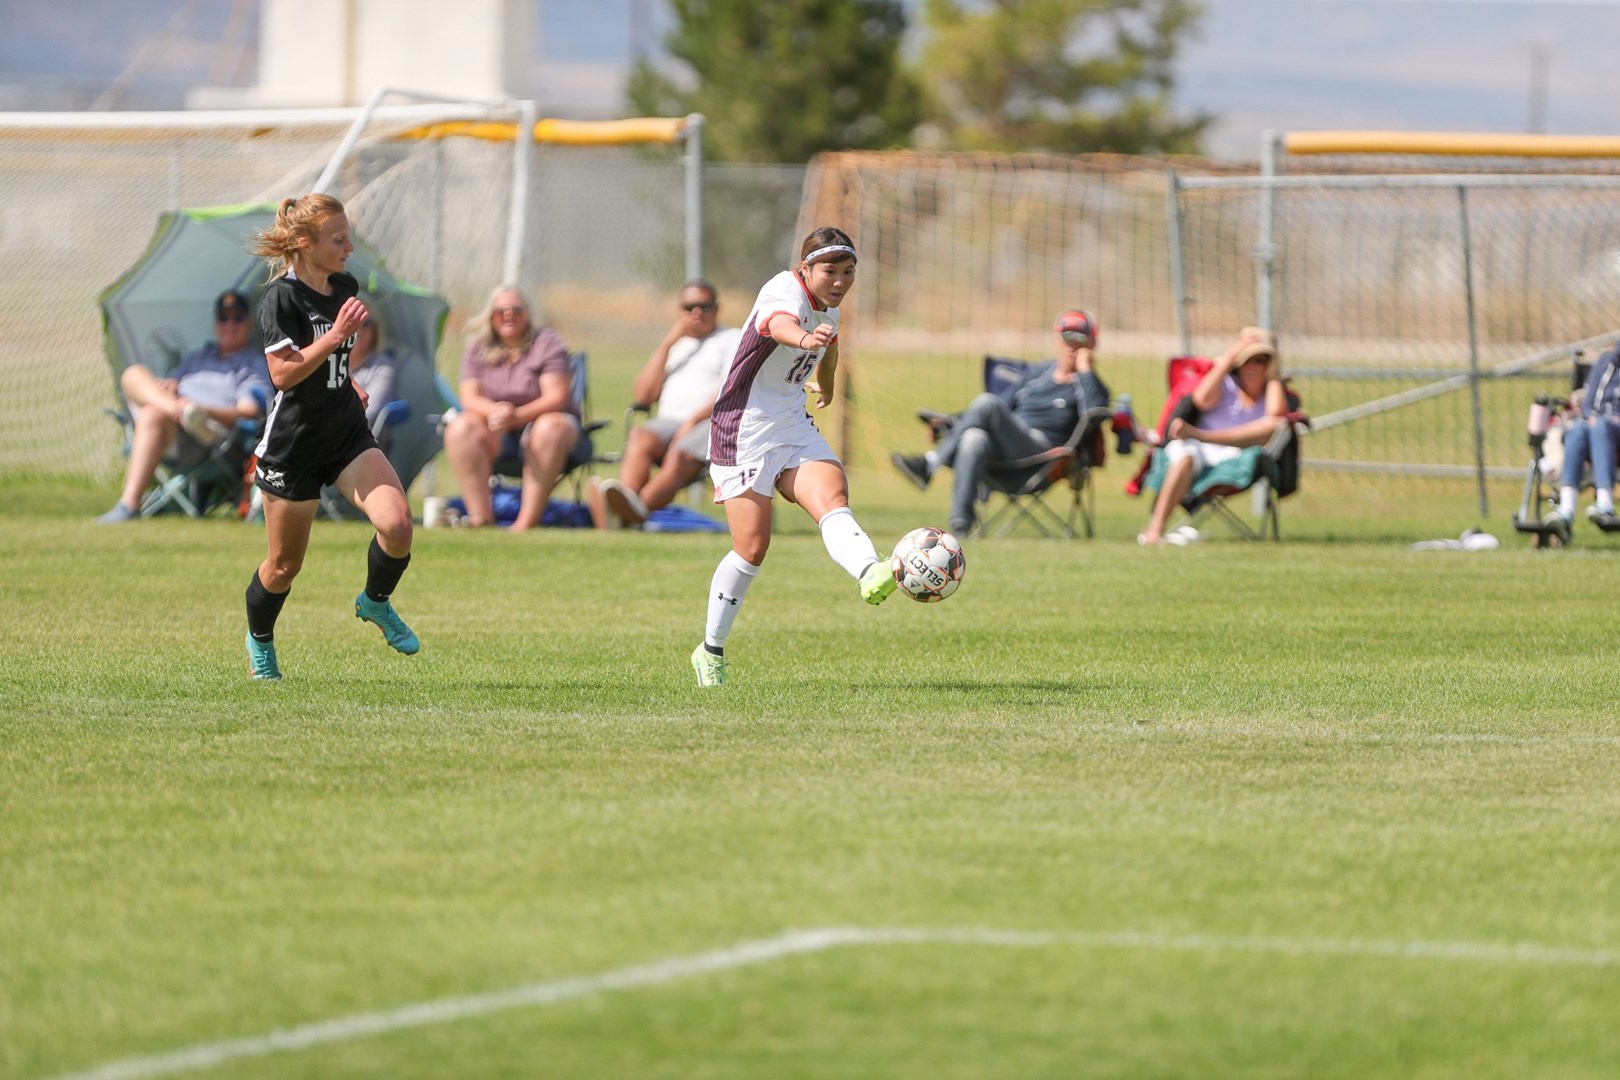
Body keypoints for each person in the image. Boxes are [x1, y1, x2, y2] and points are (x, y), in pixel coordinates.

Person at [691, 226, 895, 687]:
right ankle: (710, 650)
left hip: (791, 423)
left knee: (833, 495)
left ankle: (869, 570)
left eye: (848, 271)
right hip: (742, 428)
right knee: (752, 548)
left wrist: (827, 380)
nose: (840, 281)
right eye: (830, 271)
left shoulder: (830, 311)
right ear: (805, 269)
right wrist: (805, 341)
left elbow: (831, 343)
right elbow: (778, 325)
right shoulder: (783, 290)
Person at [241, 193, 419, 681]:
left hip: (345, 434)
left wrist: (348, 379)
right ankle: (260, 642)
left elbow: (330, 360)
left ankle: (376, 601)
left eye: (347, 237)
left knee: (398, 525)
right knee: (284, 567)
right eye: (338, 239)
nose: (348, 247)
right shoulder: (280, 299)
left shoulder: (343, 285)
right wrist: (336, 336)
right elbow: (282, 373)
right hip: (294, 447)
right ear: (305, 243)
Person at [889, 309, 1110, 537]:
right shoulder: (1036, 375)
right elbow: (999, 406)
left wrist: (1086, 371)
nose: (1072, 346)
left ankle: (931, 464)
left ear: (1092, 343)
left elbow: (1095, 413)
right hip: (1005, 457)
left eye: (1080, 339)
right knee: (974, 438)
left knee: (987, 401)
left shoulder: (1092, 386)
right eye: (1066, 337)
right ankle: (961, 528)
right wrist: (949, 423)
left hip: (1045, 460)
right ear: (1056, 338)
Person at [95, 290, 271, 523]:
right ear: (215, 322)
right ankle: (179, 411)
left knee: (151, 414)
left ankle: (129, 505)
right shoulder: (198, 357)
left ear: (249, 323)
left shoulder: (253, 363)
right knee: (133, 374)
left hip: (212, 438)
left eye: (237, 318)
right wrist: (171, 388)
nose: (229, 324)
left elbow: (249, 412)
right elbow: (172, 383)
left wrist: (203, 409)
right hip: (175, 421)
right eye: (223, 317)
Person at [590, 278, 740, 529]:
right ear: (680, 310)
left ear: (717, 308)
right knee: (640, 437)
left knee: (679, 454)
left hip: (713, 422)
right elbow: (644, 396)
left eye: (704, 306)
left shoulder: (731, 339)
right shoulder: (676, 345)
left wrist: (692, 421)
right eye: (689, 307)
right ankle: (626, 509)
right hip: (668, 422)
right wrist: (668, 343)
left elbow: (730, 392)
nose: (696, 313)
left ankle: (628, 516)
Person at [442, 286, 584, 531]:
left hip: (552, 434)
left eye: (516, 310)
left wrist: (517, 416)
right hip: (497, 433)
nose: (509, 315)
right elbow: (469, 397)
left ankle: (525, 523)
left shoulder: (548, 343)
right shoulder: (477, 347)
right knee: (460, 426)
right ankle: (480, 519)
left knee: (549, 427)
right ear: (490, 316)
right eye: (501, 311)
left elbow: (556, 397)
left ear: (528, 314)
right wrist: (496, 412)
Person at [1137, 327, 1288, 546]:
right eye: (1247, 360)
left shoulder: (1272, 393)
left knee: (1276, 425)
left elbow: (1275, 419)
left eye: (1260, 361)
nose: (1252, 367)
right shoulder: (1226, 384)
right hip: (1196, 448)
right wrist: (1232, 354)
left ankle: (1201, 435)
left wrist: (1274, 373)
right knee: (1186, 456)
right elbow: (1201, 399)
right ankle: (1155, 531)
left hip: (1234, 454)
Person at [1547, 343, 1620, 538]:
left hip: (1614, 428)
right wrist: (1590, 416)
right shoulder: (1604, 362)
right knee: (1578, 428)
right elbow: (1588, 401)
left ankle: (1605, 503)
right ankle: (1566, 511)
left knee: (1601, 426)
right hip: (1596, 426)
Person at [347, 301, 401, 436]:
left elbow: (369, 413)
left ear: (374, 330)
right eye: (352, 321)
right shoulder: (327, 362)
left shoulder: (383, 368)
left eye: (366, 323)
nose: (359, 329)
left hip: (362, 439)